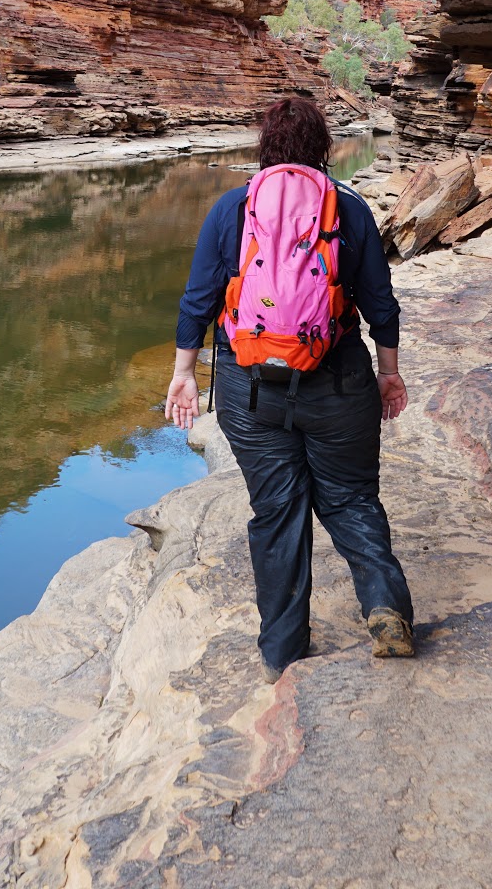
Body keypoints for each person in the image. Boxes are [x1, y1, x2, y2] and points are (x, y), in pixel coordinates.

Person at [165, 95, 414, 680]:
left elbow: (198, 302)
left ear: (265, 148)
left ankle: (283, 654)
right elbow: (381, 305)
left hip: (250, 389)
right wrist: (389, 371)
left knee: (276, 512)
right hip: (338, 381)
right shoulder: (349, 209)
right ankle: (384, 606)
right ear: (324, 149)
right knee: (351, 499)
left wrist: (183, 374)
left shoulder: (233, 207)